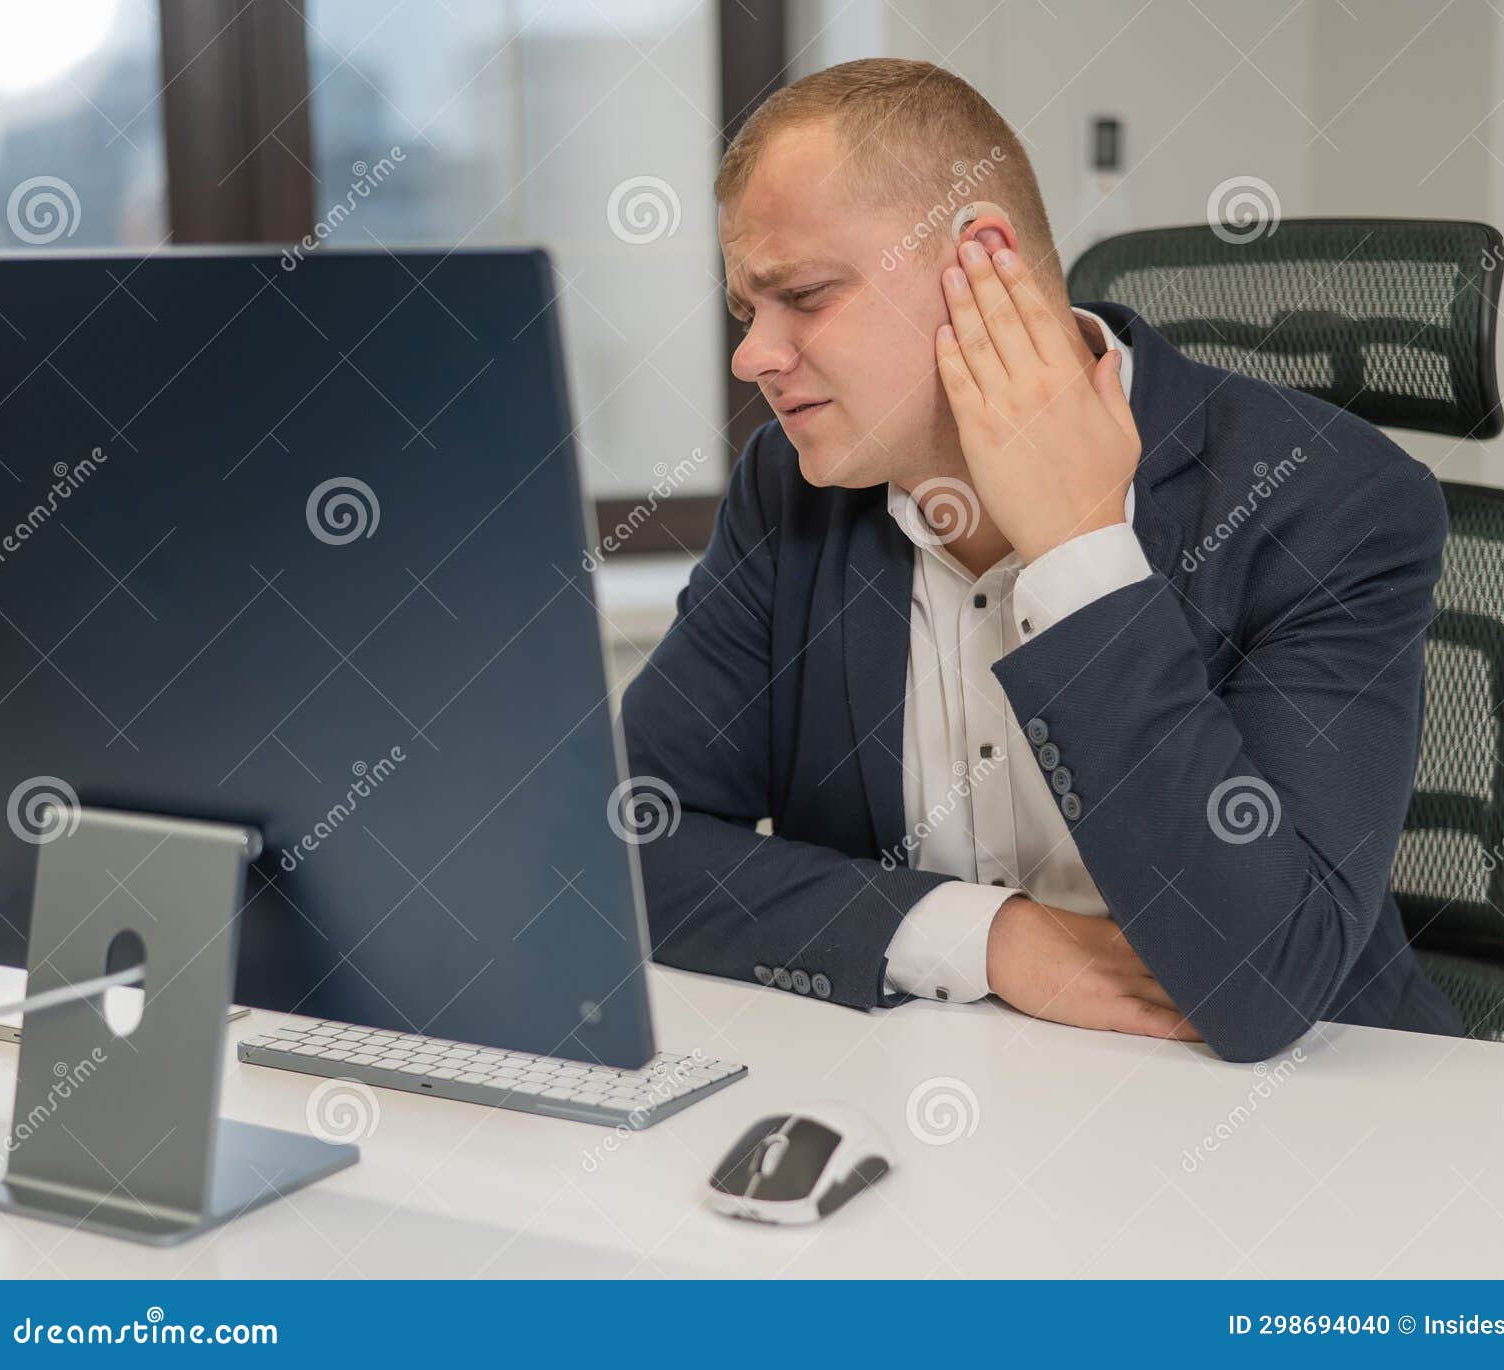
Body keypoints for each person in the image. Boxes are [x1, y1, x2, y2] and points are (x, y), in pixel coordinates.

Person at [618, 57, 1461, 1062]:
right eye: (746, 309)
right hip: (943, 1097)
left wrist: (1076, 545)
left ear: (981, 261)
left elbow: (1262, 981)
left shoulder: (1331, 502)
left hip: (1305, 1140)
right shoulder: (788, 489)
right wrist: (990, 937)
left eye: (801, 293)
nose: (752, 354)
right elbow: (627, 843)